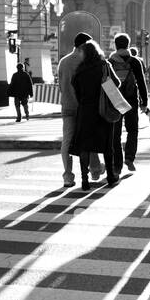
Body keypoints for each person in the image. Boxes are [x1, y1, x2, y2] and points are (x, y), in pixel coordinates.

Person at [68, 38, 123, 190]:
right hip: (103, 110)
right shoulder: (104, 65)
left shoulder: (79, 70)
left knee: (85, 146)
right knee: (107, 145)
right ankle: (111, 176)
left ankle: (84, 180)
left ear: (84, 54)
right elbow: (117, 83)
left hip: (85, 112)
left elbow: (76, 90)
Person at [57, 31, 102, 186]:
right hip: (85, 107)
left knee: (67, 141)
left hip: (67, 106)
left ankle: (67, 175)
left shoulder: (63, 62)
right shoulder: (87, 61)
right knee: (90, 137)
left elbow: (60, 86)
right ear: (85, 46)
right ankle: (95, 169)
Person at [108, 32, 150, 173]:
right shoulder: (135, 61)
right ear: (128, 44)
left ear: (115, 45)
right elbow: (141, 82)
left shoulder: (110, 62)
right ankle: (129, 158)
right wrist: (144, 102)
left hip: (116, 100)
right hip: (132, 99)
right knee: (132, 130)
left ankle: (117, 165)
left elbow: (107, 83)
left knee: (116, 133)